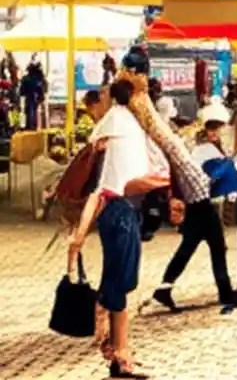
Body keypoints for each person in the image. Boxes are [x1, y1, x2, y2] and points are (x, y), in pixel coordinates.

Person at [67, 79, 168, 380]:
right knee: (118, 286)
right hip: (120, 212)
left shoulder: (121, 130)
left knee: (123, 284)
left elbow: (100, 190)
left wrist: (79, 235)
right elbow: (110, 189)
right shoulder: (120, 123)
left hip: (122, 212)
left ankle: (120, 354)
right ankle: (116, 349)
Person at [153, 102, 237, 312]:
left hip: (198, 204)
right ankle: (225, 293)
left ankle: (165, 286)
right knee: (216, 248)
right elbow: (200, 179)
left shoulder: (188, 149)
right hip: (201, 205)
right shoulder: (192, 150)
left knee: (189, 248)